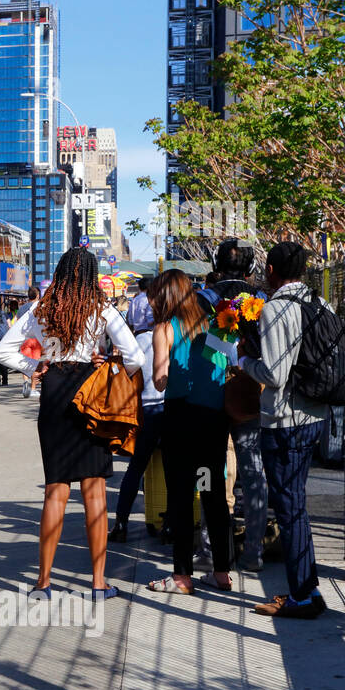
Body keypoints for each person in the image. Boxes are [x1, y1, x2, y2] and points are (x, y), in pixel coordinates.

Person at [0, 249, 146, 601]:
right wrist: (109, 361)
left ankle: (43, 583)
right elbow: (136, 357)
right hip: (91, 395)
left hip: (54, 395)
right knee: (94, 493)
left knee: (55, 491)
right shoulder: (101, 309)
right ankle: (97, 583)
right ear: (92, 275)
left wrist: (35, 367)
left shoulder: (41, 309)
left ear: (61, 272)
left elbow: (3, 351)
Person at [227, 242, 331, 618]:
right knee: (295, 507)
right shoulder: (320, 304)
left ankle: (302, 596)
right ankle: (308, 589)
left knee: (289, 509)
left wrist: (242, 360)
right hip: (314, 416)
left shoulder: (275, 309)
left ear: (270, 269)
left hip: (284, 422)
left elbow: (273, 374)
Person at [145, 269, 234, 595]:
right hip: (213, 419)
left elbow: (159, 379)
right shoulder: (214, 327)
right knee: (212, 492)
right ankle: (222, 573)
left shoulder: (165, 329)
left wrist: (169, 373)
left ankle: (182, 577)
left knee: (181, 495)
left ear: (165, 296)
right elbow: (229, 365)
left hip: (180, 418)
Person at [210, 239, 269, 573]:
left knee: (211, 472)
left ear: (217, 265)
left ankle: (211, 548)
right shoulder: (260, 301)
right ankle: (253, 554)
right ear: (250, 270)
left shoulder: (204, 298)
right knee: (253, 472)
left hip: (210, 395)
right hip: (249, 393)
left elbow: (201, 348)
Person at [110, 305, 164, 542]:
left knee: (135, 468)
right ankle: (172, 522)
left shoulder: (140, 339)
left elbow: (128, 373)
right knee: (175, 470)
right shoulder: (179, 337)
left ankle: (121, 523)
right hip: (169, 408)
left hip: (144, 410)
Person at [19, 285, 42, 397]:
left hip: (24, 338)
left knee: (26, 362)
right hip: (36, 339)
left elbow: (18, 324)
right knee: (34, 363)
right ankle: (33, 389)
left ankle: (25, 381)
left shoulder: (21, 309)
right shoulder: (40, 307)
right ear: (37, 295)